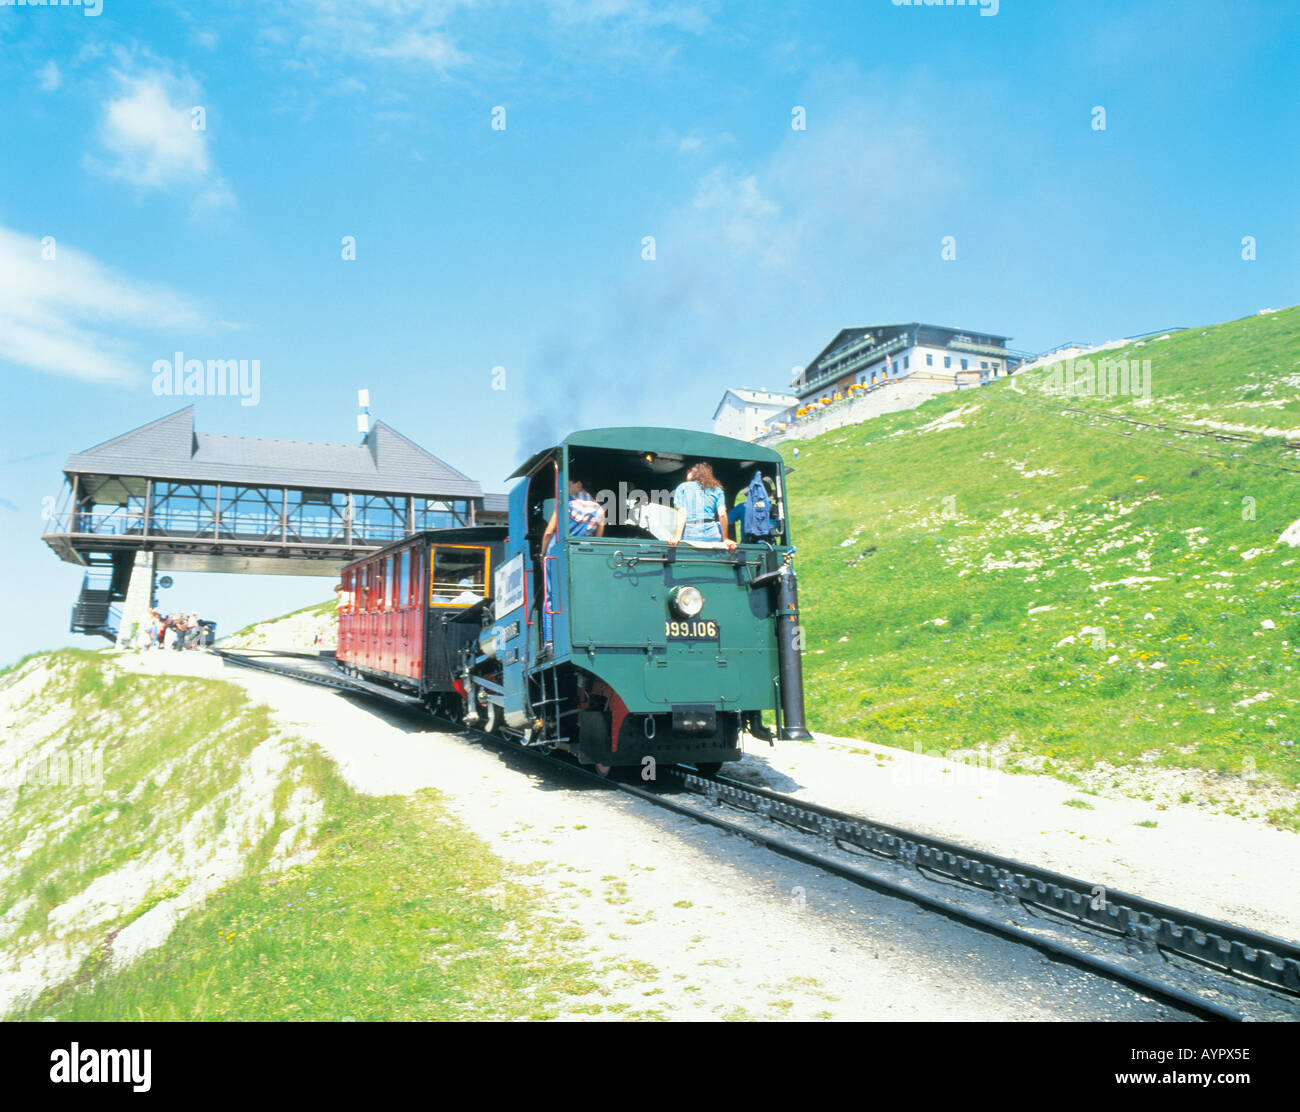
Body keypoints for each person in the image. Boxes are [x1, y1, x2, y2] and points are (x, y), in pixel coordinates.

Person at [539, 474, 605, 651]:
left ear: (578, 484)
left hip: (555, 554)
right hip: (579, 557)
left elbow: (548, 532)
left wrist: (542, 553)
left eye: (568, 484)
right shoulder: (600, 511)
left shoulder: (566, 504)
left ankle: (550, 640)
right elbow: (598, 540)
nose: (565, 488)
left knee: (551, 598)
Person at [669, 462, 736, 551]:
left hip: (691, 533)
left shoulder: (682, 487)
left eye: (689, 470)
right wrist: (725, 539)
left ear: (693, 472)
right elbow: (722, 514)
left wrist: (677, 537)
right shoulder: (717, 489)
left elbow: (682, 513)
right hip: (712, 534)